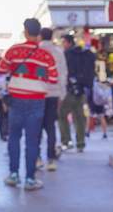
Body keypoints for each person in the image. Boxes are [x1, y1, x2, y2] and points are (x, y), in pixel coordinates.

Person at [0, 17, 58, 191]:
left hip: (16, 100)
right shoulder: (46, 56)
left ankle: (14, 175)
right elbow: (53, 79)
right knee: (33, 140)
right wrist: (39, 74)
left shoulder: (13, 51)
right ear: (38, 34)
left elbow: (1, 70)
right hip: (37, 101)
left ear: (25, 31)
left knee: (14, 137)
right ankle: (30, 179)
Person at [37, 27, 67, 172]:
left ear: (40, 36)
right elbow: (63, 74)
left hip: (38, 93)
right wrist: (62, 94)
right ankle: (50, 159)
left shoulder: (37, 51)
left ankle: (37, 158)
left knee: (36, 126)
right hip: (54, 93)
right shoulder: (58, 52)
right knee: (50, 126)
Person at [58, 32, 93, 152]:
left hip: (69, 90)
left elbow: (62, 73)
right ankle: (81, 143)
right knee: (79, 117)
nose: (62, 45)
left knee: (62, 115)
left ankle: (66, 141)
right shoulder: (83, 54)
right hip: (81, 90)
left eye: (63, 42)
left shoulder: (66, 55)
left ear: (68, 42)